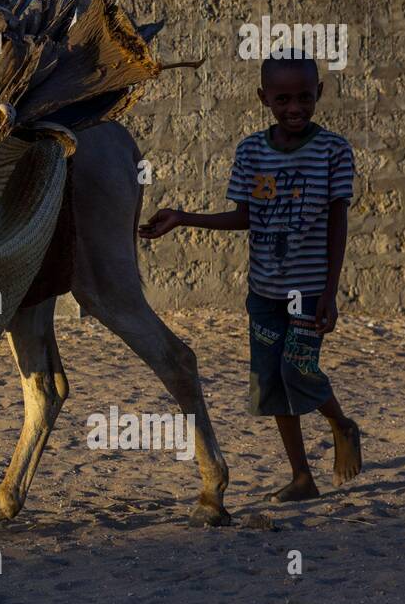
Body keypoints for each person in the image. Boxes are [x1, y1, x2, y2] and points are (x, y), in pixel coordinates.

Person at [139, 54, 363, 501]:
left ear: (319, 94)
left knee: (296, 369)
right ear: (264, 99)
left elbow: (339, 224)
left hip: (309, 291)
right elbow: (246, 217)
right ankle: (302, 476)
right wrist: (183, 218)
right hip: (263, 292)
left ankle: (341, 424)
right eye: (283, 99)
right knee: (270, 383)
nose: (294, 107)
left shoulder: (333, 151)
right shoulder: (251, 152)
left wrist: (330, 293)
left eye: (304, 97)